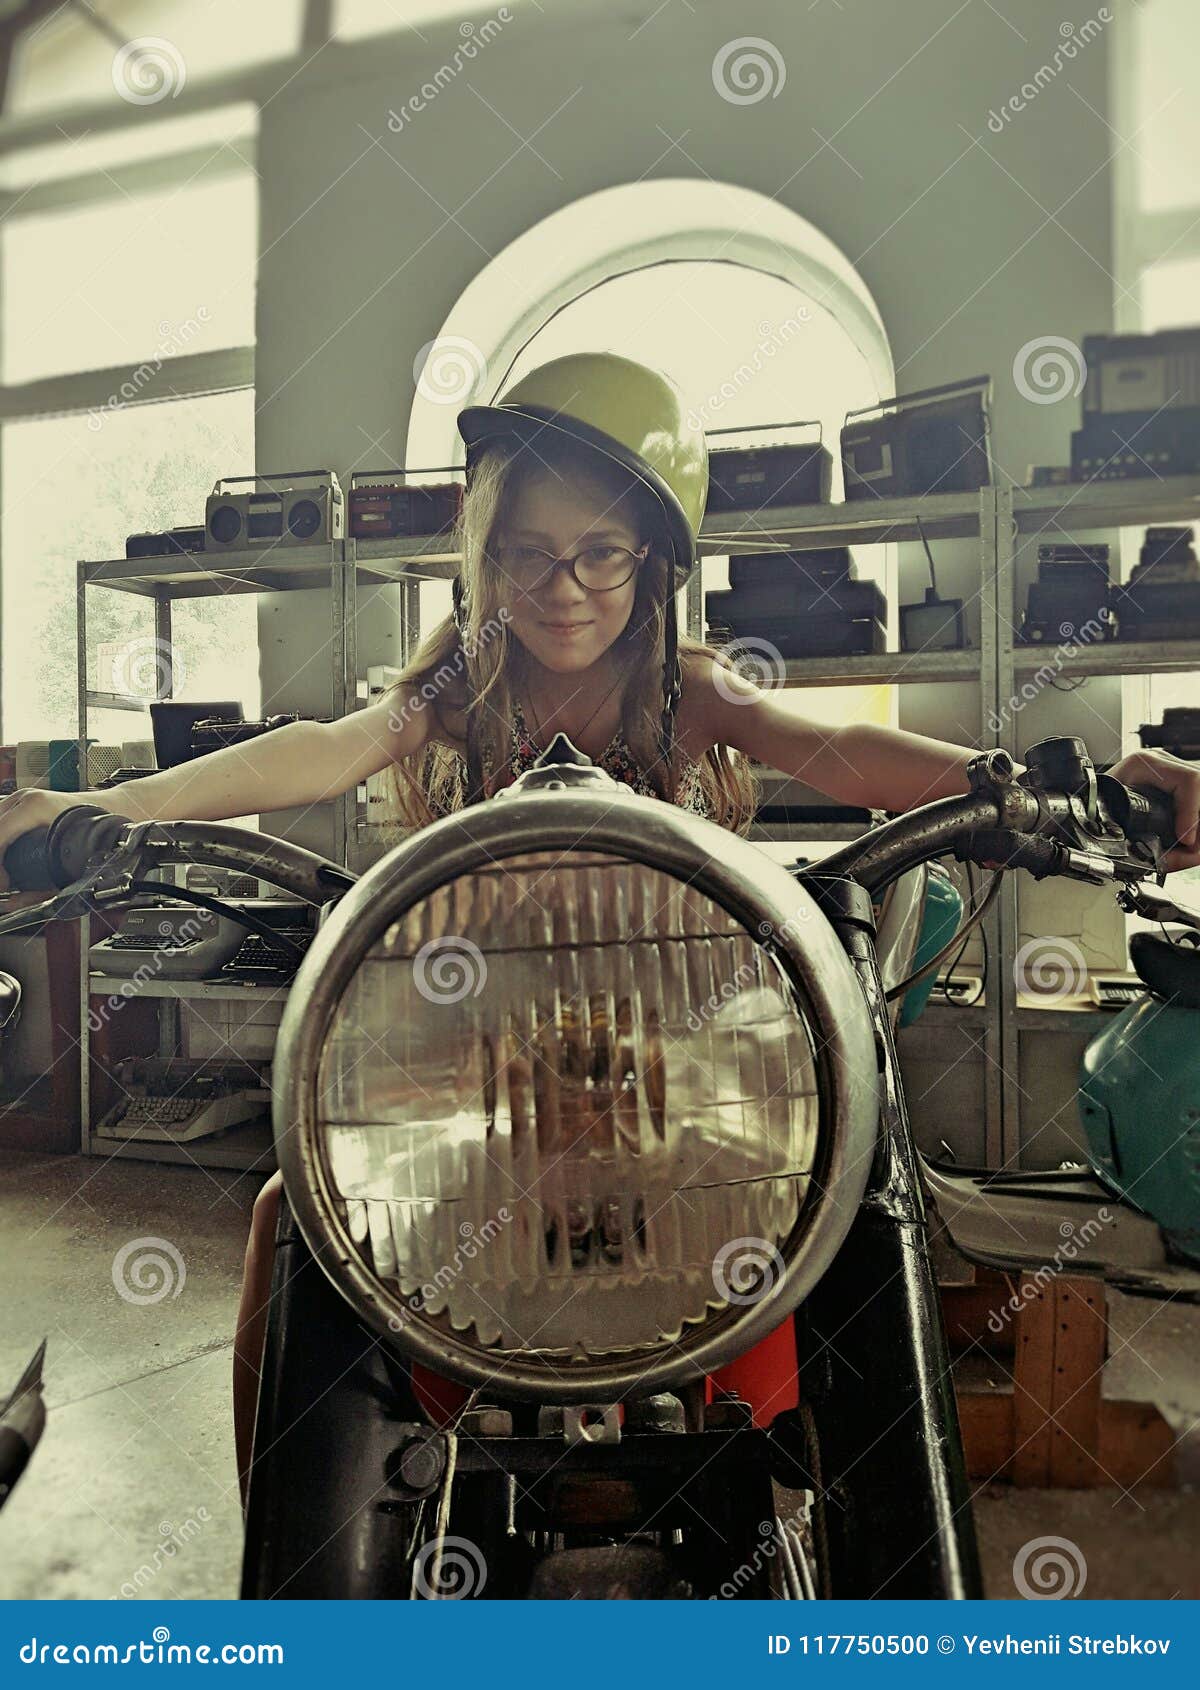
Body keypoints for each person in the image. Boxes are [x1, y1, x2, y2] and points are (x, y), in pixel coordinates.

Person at [1, 352, 1197, 1505]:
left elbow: (832, 746)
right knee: (297, 1219)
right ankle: (299, 1549)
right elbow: (322, 747)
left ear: (655, 562)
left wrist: (1050, 787)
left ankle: (818, 1511)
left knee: (835, 1201)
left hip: (673, 1073)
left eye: (599, 555)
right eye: (528, 556)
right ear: (487, 559)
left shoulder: (687, 687)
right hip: (486, 1070)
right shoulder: (456, 688)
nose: (562, 587)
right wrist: (113, 804)